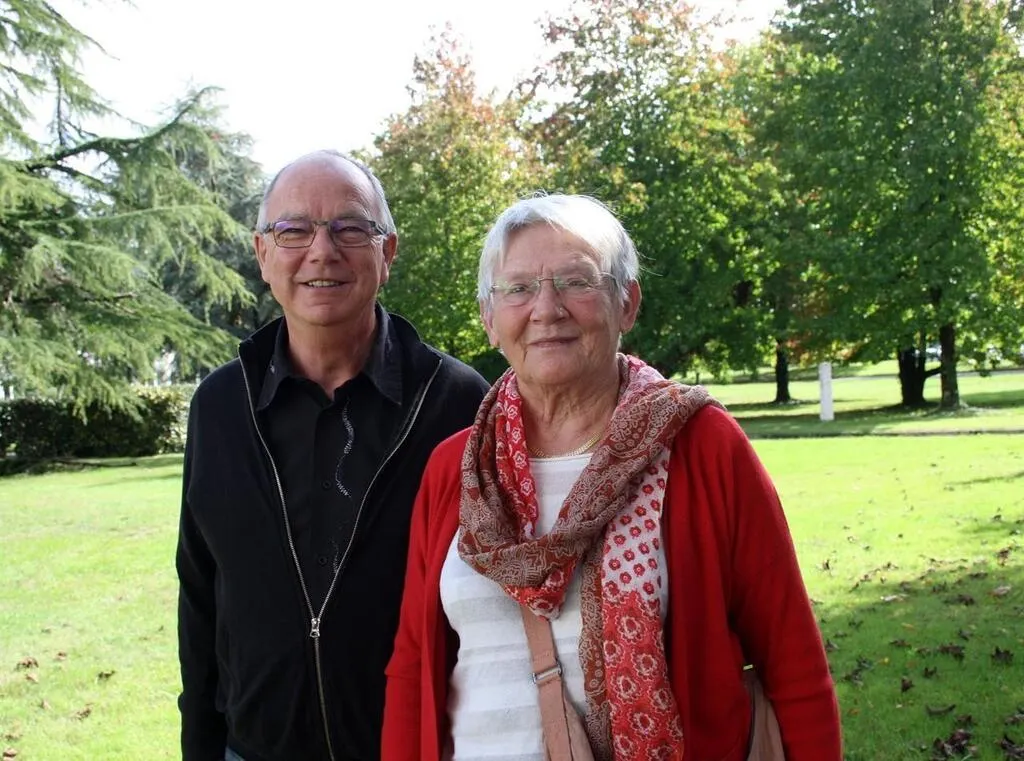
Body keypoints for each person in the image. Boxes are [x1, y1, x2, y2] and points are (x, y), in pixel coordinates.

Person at [381, 194, 842, 761]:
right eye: (519, 288)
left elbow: (793, 664)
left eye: (576, 282)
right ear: (489, 318)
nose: (546, 309)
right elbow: (412, 668)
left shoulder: (702, 447)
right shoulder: (455, 469)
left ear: (627, 303)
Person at [176, 150, 490, 761]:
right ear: (262, 254)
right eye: (293, 230)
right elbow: (200, 592)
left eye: (350, 227)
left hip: (418, 748)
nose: (322, 251)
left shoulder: (456, 402)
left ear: (388, 252)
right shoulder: (219, 407)